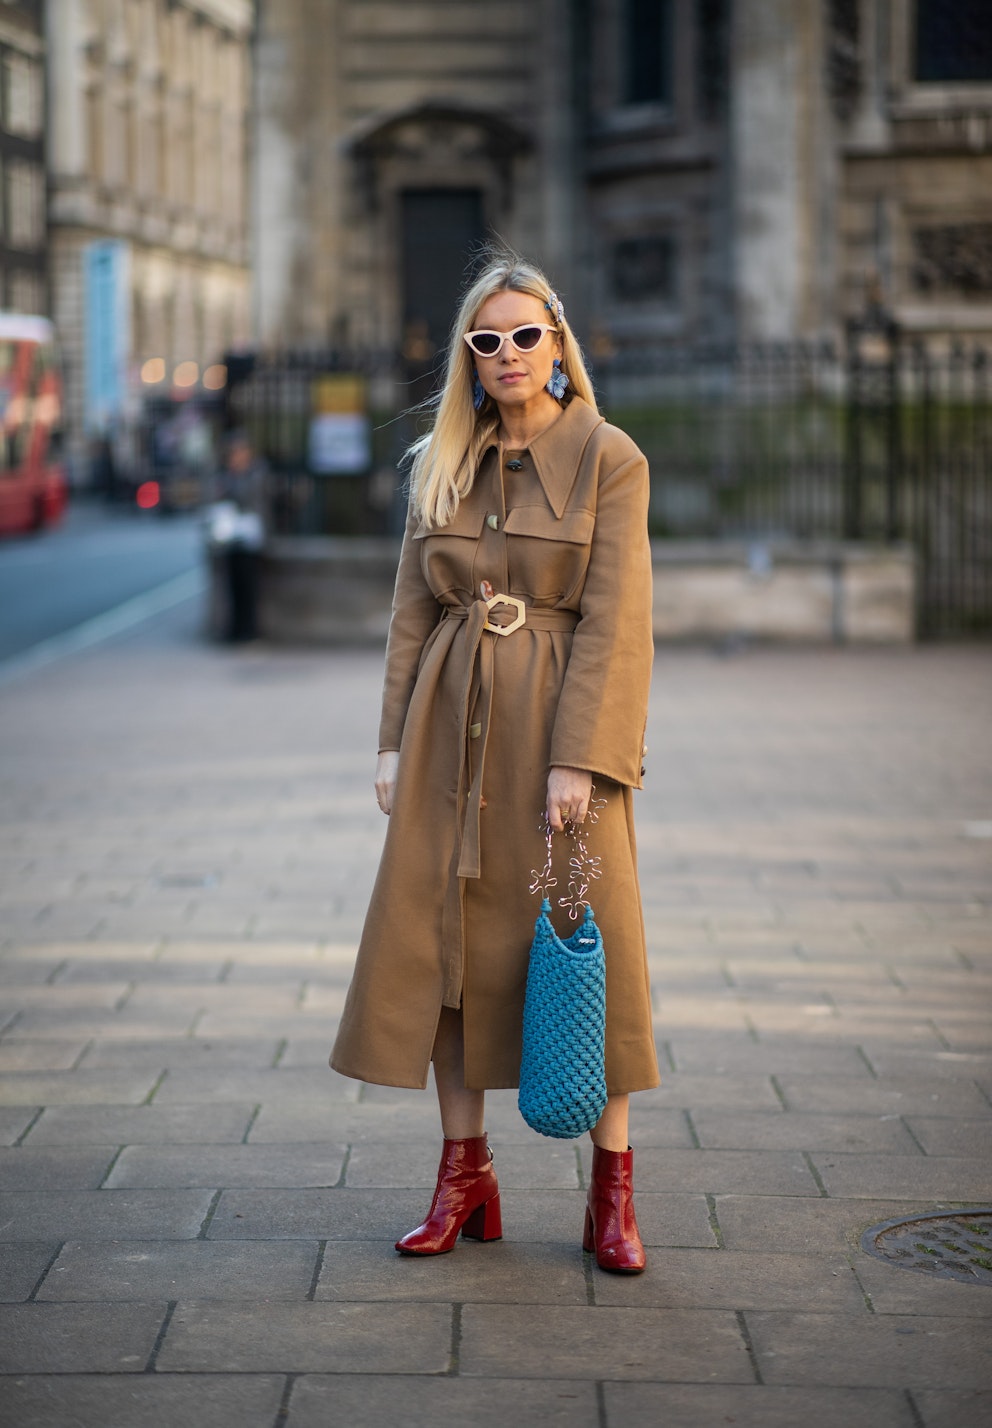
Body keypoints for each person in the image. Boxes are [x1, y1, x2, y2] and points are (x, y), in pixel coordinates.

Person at [330, 251, 659, 1273]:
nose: (507, 353)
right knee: (440, 957)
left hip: (556, 737)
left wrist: (582, 760)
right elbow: (409, 611)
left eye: (524, 335)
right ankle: (462, 1173)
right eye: (486, 340)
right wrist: (389, 740)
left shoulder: (609, 458)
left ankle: (611, 1191)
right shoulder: (445, 460)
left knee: (581, 942)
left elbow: (617, 624)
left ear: (556, 342)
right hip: (444, 730)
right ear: (467, 358)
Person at [208, 431, 268, 642]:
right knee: (231, 586)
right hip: (230, 537)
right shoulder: (224, 475)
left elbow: (253, 499)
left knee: (249, 586)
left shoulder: (256, 473)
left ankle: (249, 630)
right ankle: (234, 629)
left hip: (250, 537)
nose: (237, 457)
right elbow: (215, 497)